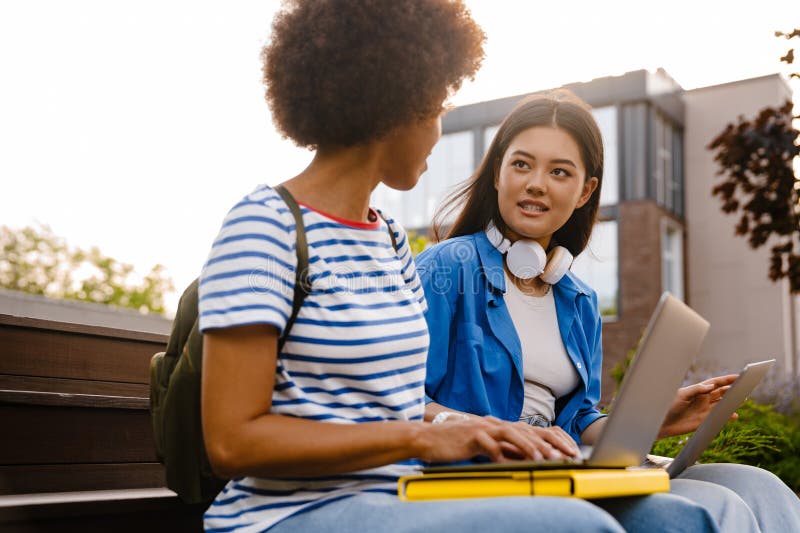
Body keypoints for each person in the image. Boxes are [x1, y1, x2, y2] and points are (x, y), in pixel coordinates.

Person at [196, 2, 729, 532]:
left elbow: (406, 407)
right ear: (391, 105)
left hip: (402, 496)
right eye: (435, 108)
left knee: (679, 523)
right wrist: (430, 434)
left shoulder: (388, 242)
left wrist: (468, 431)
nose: (439, 130)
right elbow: (231, 441)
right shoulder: (265, 225)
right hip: (289, 514)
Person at [417, 89, 800, 532]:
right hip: (481, 475)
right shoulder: (447, 269)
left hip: (559, 471)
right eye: (521, 164)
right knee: (710, 508)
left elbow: (577, 422)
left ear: (585, 192)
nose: (536, 183)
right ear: (498, 175)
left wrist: (655, 419)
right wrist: (492, 429)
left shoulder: (577, 300)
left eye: (560, 171)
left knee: (757, 485)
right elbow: (398, 399)